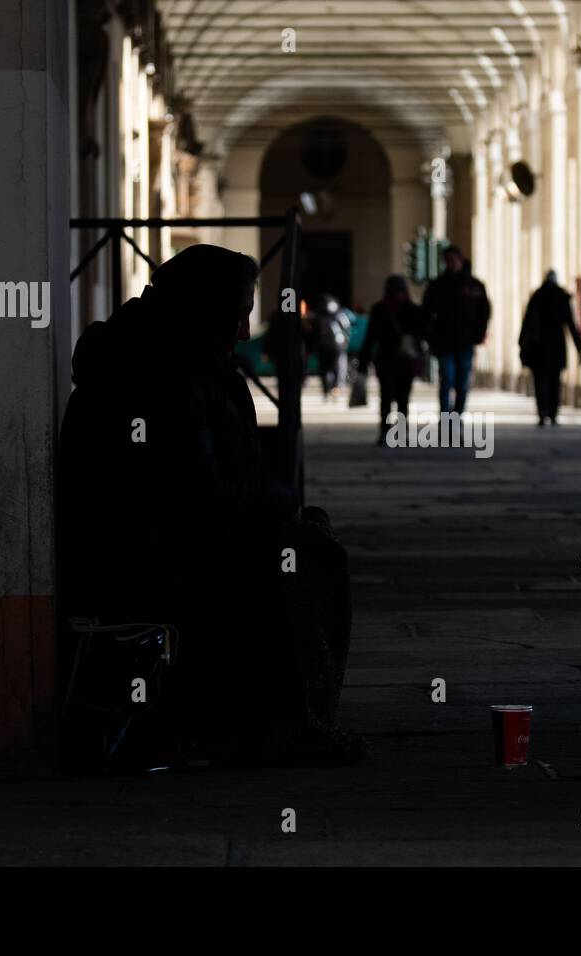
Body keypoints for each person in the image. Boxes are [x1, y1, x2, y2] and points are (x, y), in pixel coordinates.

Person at [57, 244, 361, 767]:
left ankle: (286, 719)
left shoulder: (178, 358)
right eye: (238, 314)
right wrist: (281, 500)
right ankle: (286, 723)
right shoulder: (158, 374)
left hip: (166, 540)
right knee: (307, 557)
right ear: (202, 308)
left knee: (301, 541)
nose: (244, 332)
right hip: (141, 560)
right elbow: (202, 497)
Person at [421, 246, 490, 415]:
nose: (450, 264)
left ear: (461, 259)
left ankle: (457, 417)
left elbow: (484, 312)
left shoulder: (475, 285)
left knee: (462, 383)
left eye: (452, 260)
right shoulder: (438, 286)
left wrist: (478, 334)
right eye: (447, 260)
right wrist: (430, 336)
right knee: (447, 379)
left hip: (466, 342)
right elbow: (426, 313)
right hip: (444, 341)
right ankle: (445, 418)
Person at [359, 274, 427, 445]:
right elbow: (421, 336)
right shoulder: (408, 309)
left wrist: (363, 362)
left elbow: (371, 338)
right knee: (392, 397)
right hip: (396, 359)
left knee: (394, 397)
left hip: (393, 359)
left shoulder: (382, 309)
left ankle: (389, 431)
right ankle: (391, 431)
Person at [518, 270, 581, 426]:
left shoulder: (537, 296)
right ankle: (553, 414)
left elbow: (526, 323)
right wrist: (579, 349)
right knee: (555, 383)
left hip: (538, 346)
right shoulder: (562, 297)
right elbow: (571, 325)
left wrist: (521, 343)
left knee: (540, 383)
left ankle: (542, 413)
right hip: (557, 345)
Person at [314, 293, 353, 400]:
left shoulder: (319, 315)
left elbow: (315, 332)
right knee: (338, 368)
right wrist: (345, 341)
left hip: (325, 346)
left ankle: (327, 389)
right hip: (337, 345)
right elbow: (347, 327)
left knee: (325, 369)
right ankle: (335, 388)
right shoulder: (339, 314)